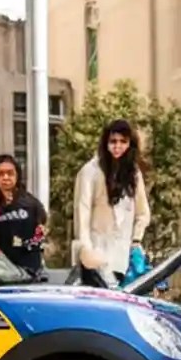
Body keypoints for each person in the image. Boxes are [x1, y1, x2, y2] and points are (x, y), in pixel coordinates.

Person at [72, 119, 152, 286]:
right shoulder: (90, 171)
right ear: (105, 143)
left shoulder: (133, 173)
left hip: (121, 255)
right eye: (113, 141)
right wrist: (86, 248)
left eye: (123, 141)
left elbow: (143, 212)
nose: (117, 146)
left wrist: (136, 240)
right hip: (95, 253)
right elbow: (82, 211)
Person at [0, 154, 48, 279]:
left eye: (10, 173)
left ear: (17, 176)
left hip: (29, 270)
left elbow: (41, 230)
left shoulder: (31, 204)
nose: (5, 177)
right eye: (0, 174)